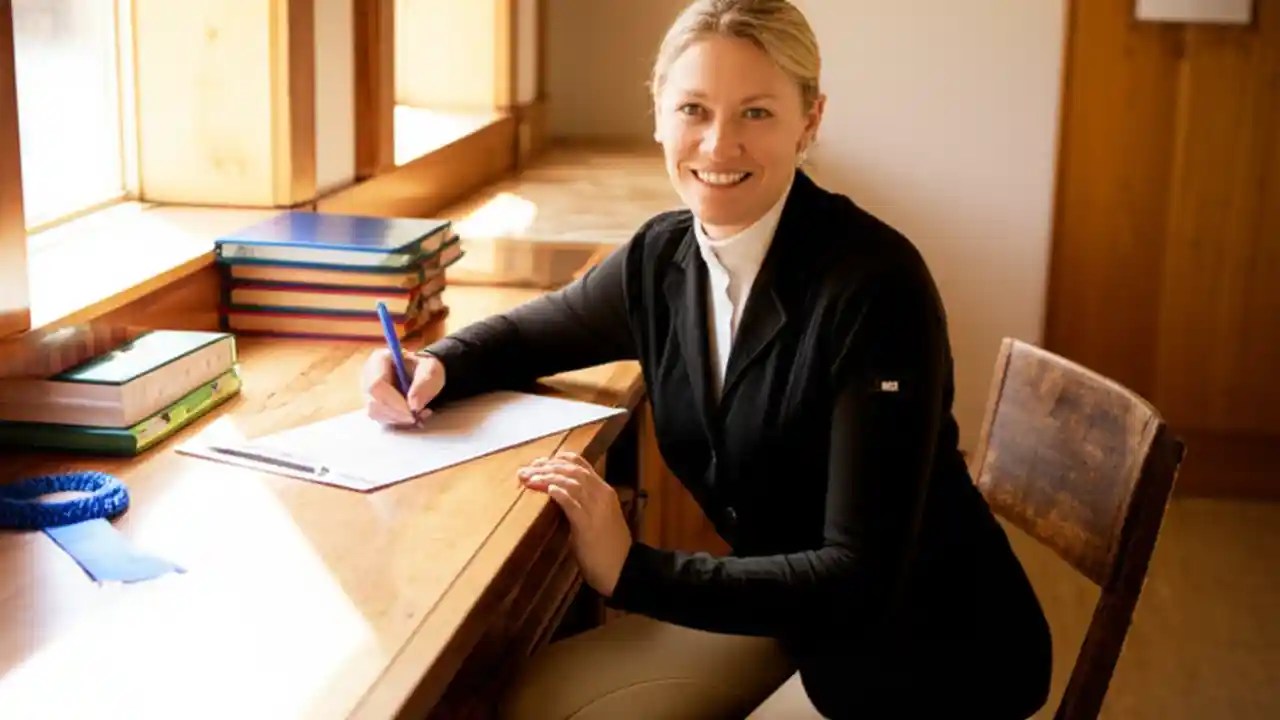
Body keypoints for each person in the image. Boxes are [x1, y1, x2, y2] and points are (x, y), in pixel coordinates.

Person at [360, 1, 1052, 717]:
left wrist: (633, 570)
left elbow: (859, 578)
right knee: (531, 702)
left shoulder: (876, 286)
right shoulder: (662, 259)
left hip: (923, 649)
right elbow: (534, 333)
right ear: (659, 114)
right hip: (789, 610)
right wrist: (430, 363)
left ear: (809, 122)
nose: (719, 146)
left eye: (756, 113)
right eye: (693, 108)